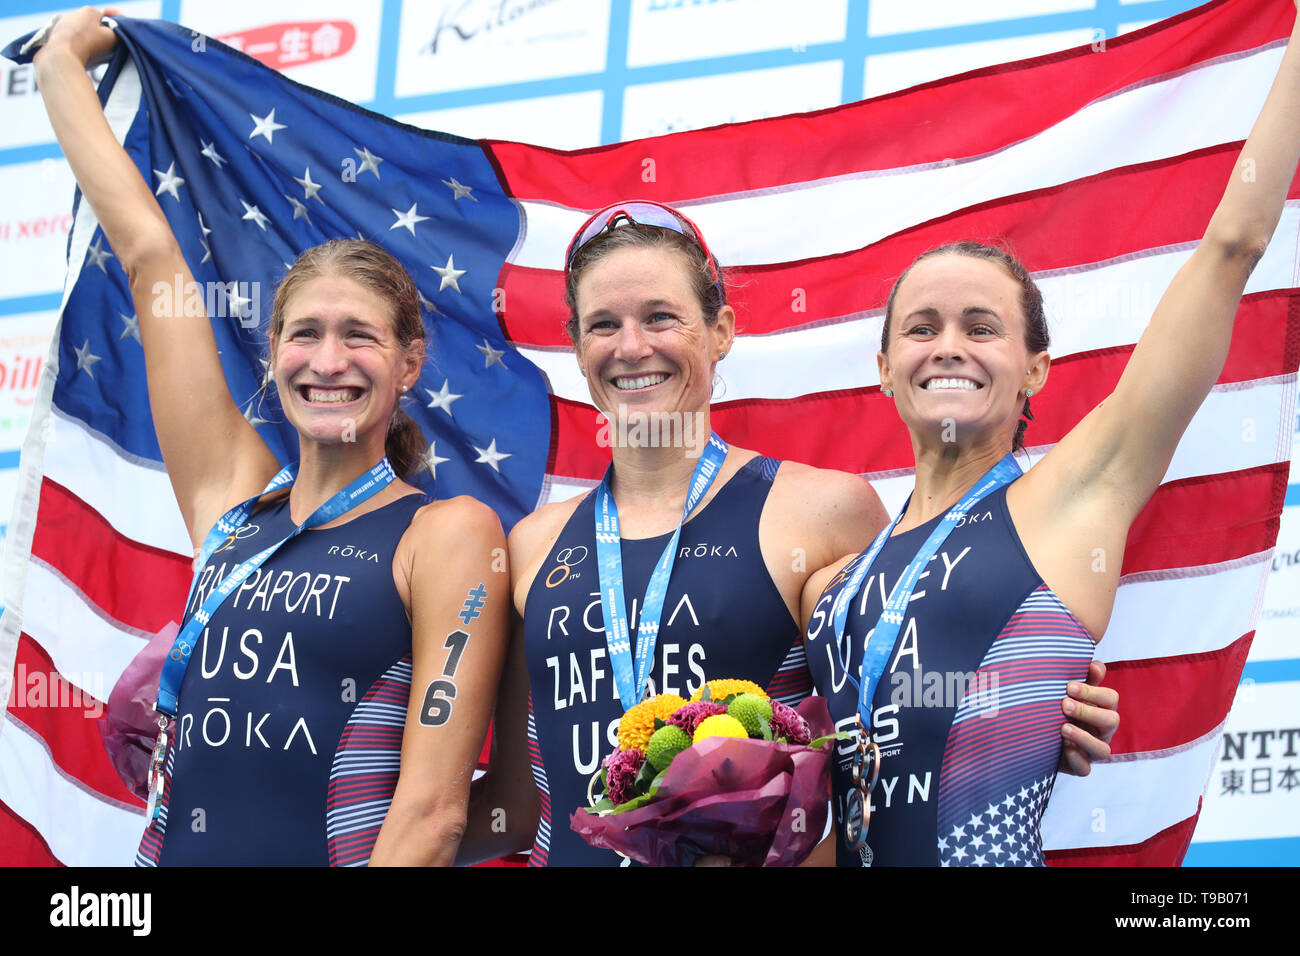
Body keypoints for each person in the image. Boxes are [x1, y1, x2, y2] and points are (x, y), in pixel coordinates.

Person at [459, 201, 1119, 867]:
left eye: (661, 317)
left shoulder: (821, 512)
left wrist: (1024, 712)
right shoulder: (533, 545)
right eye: (605, 325)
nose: (633, 347)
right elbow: (516, 807)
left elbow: (897, 711)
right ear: (576, 346)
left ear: (721, 331)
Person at [801, 2, 1300, 867]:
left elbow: (1233, 246)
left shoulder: (1077, 495)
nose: (948, 346)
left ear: (1036, 368)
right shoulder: (830, 590)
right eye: (921, 328)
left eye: (981, 327)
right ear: (884, 367)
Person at [34, 8, 508, 866]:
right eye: (305, 334)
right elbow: (151, 260)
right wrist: (60, 66)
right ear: (274, 354)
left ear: (409, 362)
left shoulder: (446, 535)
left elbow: (435, 814)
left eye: (359, 336)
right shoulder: (230, 500)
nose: (330, 361)